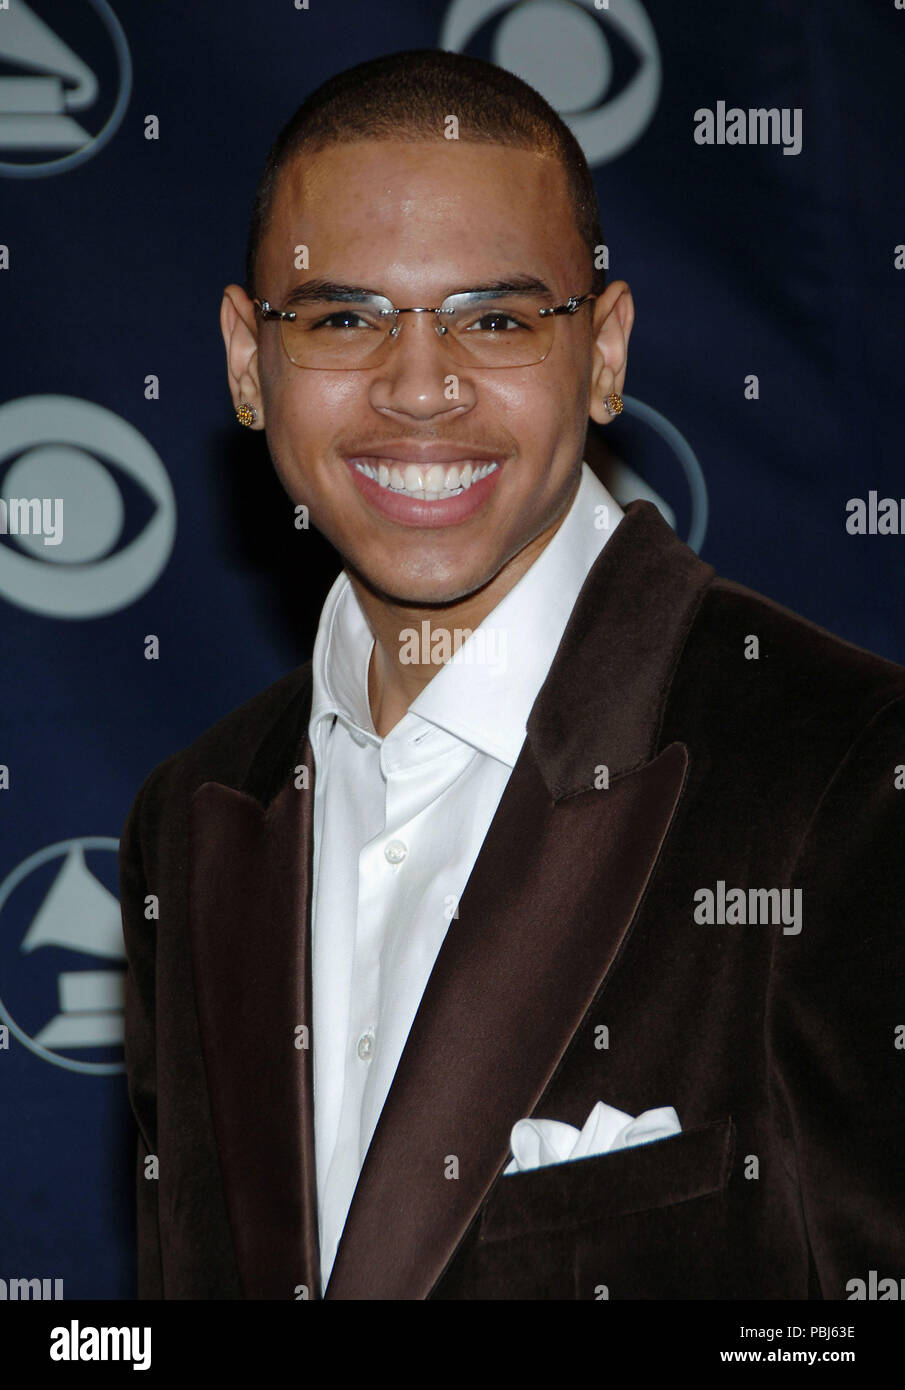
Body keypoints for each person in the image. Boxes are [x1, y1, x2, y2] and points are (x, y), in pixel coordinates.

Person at [120, 47, 905, 1300]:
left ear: (601, 353)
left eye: (494, 319)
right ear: (241, 360)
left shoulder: (848, 773)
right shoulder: (192, 819)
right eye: (342, 318)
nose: (418, 388)